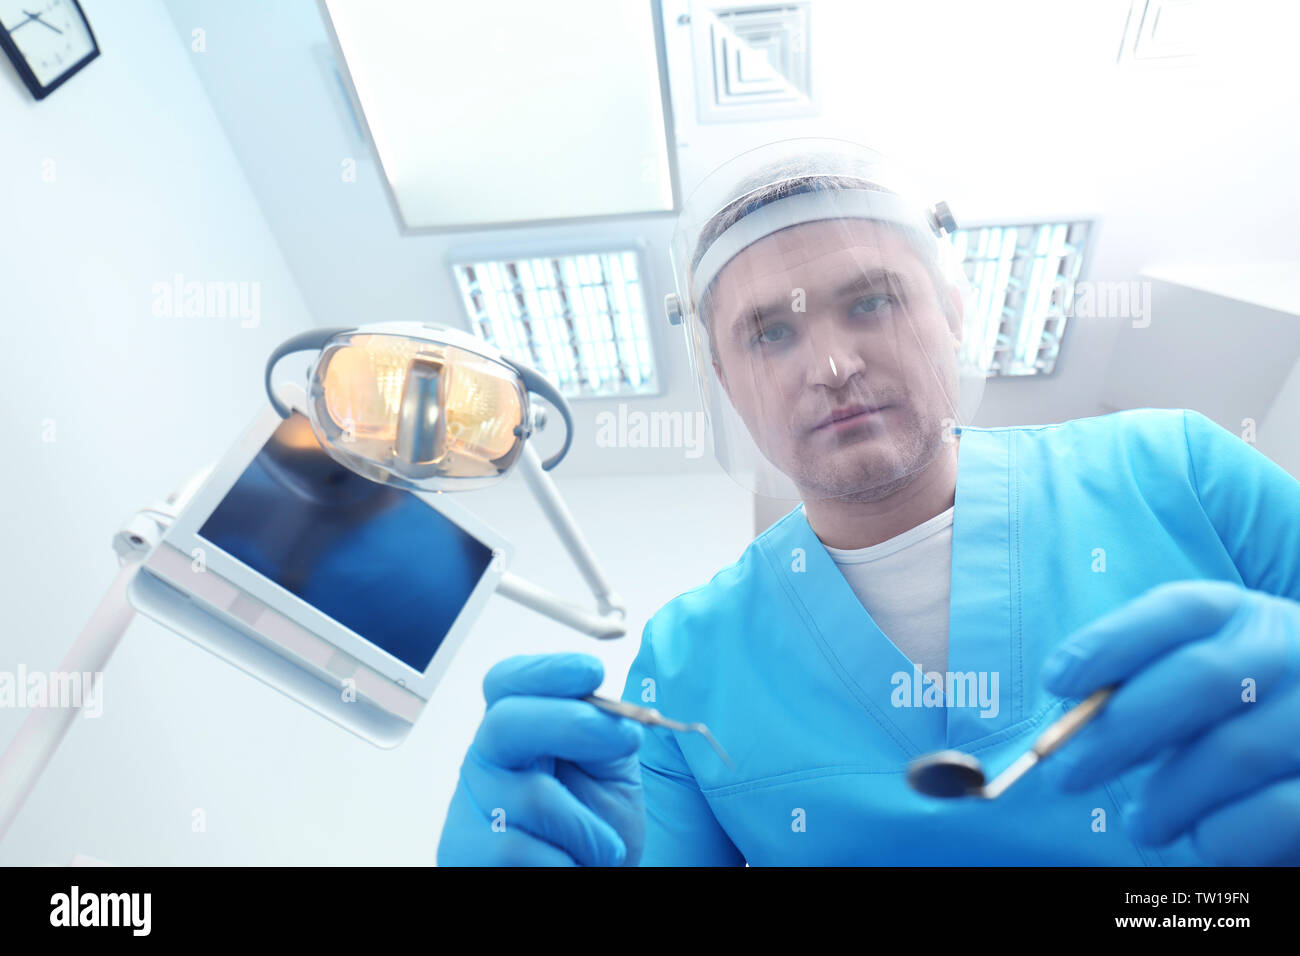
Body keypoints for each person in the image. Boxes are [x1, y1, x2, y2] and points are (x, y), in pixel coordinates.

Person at [437, 139, 1300, 866]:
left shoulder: (1177, 473)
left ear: (952, 313)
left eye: (871, 302)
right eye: (772, 332)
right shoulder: (688, 663)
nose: (832, 366)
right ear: (729, 384)